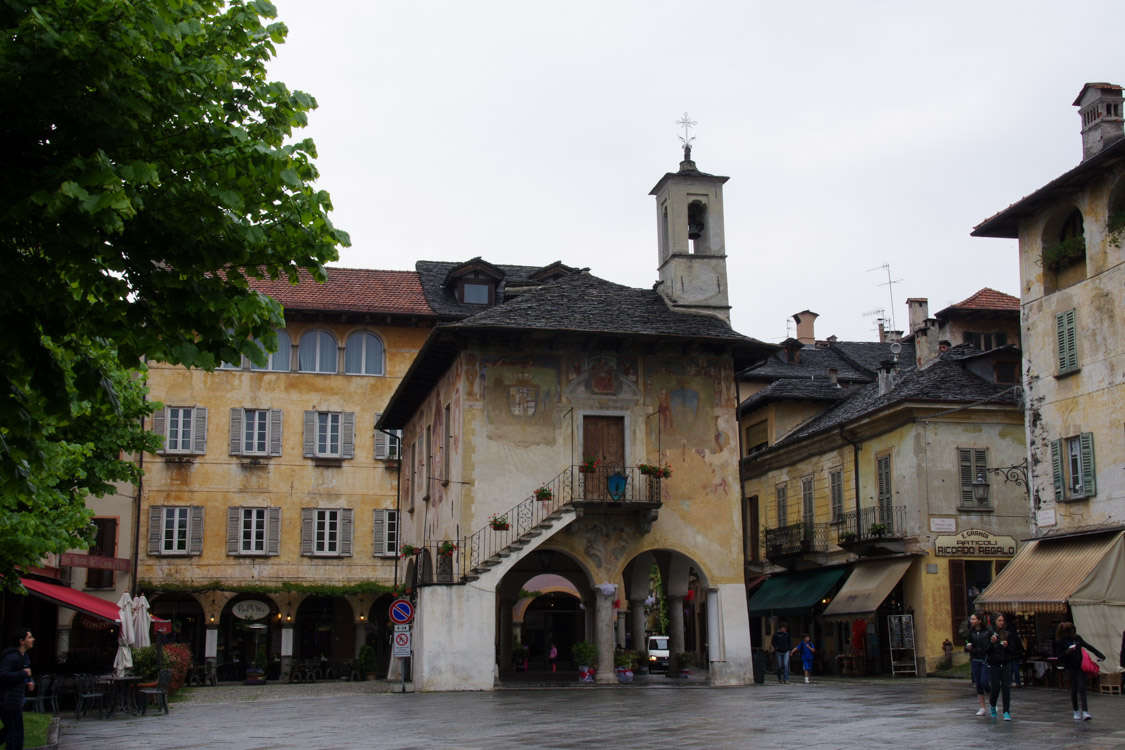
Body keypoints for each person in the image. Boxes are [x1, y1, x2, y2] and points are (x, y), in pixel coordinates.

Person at [1056, 621, 1105, 721]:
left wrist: (1100, 654)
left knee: (1082, 687)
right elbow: (1059, 656)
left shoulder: (1077, 639)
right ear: (1066, 633)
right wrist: (1067, 652)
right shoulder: (1060, 642)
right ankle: (1076, 710)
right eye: (1072, 633)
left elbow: (1088, 646)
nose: (1074, 634)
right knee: (1074, 689)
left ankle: (1085, 711)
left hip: (1079, 666)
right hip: (1069, 666)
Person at [0, 628, 34, 750]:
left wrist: (30, 681)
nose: (32, 639)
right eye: (29, 637)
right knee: (15, 735)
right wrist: (24, 674)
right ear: (21, 641)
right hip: (8, 701)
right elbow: (3, 675)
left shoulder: (24, 656)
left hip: (15, 700)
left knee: (13, 731)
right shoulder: (12, 657)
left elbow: (25, 673)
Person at [985, 612, 1022, 721]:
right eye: (999, 621)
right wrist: (992, 643)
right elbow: (986, 651)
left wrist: (1007, 646)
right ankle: (992, 705)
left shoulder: (1007, 633)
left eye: (1002, 621)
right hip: (994, 663)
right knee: (995, 688)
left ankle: (1006, 711)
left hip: (1005, 663)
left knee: (1006, 688)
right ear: (994, 621)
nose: (1001, 623)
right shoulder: (989, 633)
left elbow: (1013, 649)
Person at [964, 610, 992, 716]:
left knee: (985, 682)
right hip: (975, 659)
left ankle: (992, 703)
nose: (971, 621)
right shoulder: (971, 632)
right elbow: (966, 645)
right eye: (971, 619)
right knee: (978, 684)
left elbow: (992, 645)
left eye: (973, 619)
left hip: (985, 659)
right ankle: (982, 707)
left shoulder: (988, 632)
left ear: (979, 621)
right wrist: (968, 647)